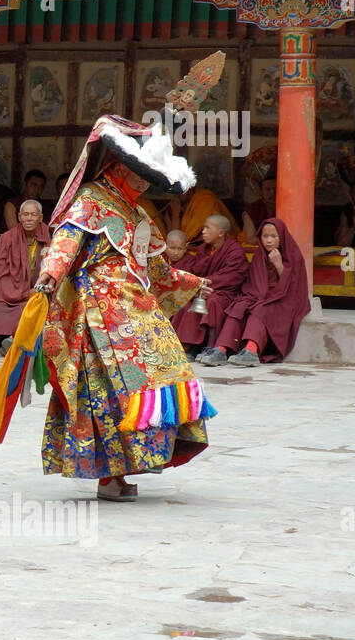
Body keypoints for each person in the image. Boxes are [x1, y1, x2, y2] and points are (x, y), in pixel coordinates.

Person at [30, 113, 216, 502]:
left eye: (149, 177)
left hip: (139, 308)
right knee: (105, 391)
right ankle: (107, 475)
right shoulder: (91, 201)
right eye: (138, 174)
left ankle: (134, 462)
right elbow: (65, 244)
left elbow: (160, 269)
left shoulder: (138, 213)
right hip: (99, 312)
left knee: (166, 374)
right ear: (118, 167)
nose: (144, 182)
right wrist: (49, 275)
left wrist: (194, 281)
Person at [204, 217, 310, 368]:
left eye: (274, 236)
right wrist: (253, 296)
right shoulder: (259, 256)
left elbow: (296, 288)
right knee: (239, 306)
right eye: (265, 236)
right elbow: (252, 283)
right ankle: (221, 349)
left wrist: (279, 266)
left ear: (282, 237)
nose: (269, 241)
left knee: (260, 309)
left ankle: (251, 350)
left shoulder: (293, 256)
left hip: (283, 300)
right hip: (259, 296)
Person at [0, 199, 49, 351]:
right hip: (11, 287)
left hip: (35, 289)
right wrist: (7, 289)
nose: (29, 218)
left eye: (33, 215)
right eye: (25, 215)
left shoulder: (47, 238)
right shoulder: (7, 238)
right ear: (19, 217)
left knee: (25, 306)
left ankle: (12, 341)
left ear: (41, 217)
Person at [177, 214, 248, 358]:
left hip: (226, 293)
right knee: (186, 302)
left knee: (213, 301)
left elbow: (232, 276)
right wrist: (197, 285)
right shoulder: (203, 249)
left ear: (220, 233)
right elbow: (196, 271)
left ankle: (212, 345)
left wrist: (204, 283)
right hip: (203, 290)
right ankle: (188, 346)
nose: (203, 231)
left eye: (207, 228)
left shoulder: (235, 251)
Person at [166, 184, 241, 246]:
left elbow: (199, 239)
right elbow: (173, 242)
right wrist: (175, 216)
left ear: (191, 186)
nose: (177, 191)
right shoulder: (172, 210)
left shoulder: (204, 200)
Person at [241, 174, 276, 243]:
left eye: (276, 189)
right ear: (261, 192)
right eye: (268, 189)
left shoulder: (289, 208)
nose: (273, 193)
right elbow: (250, 239)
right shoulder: (252, 209)